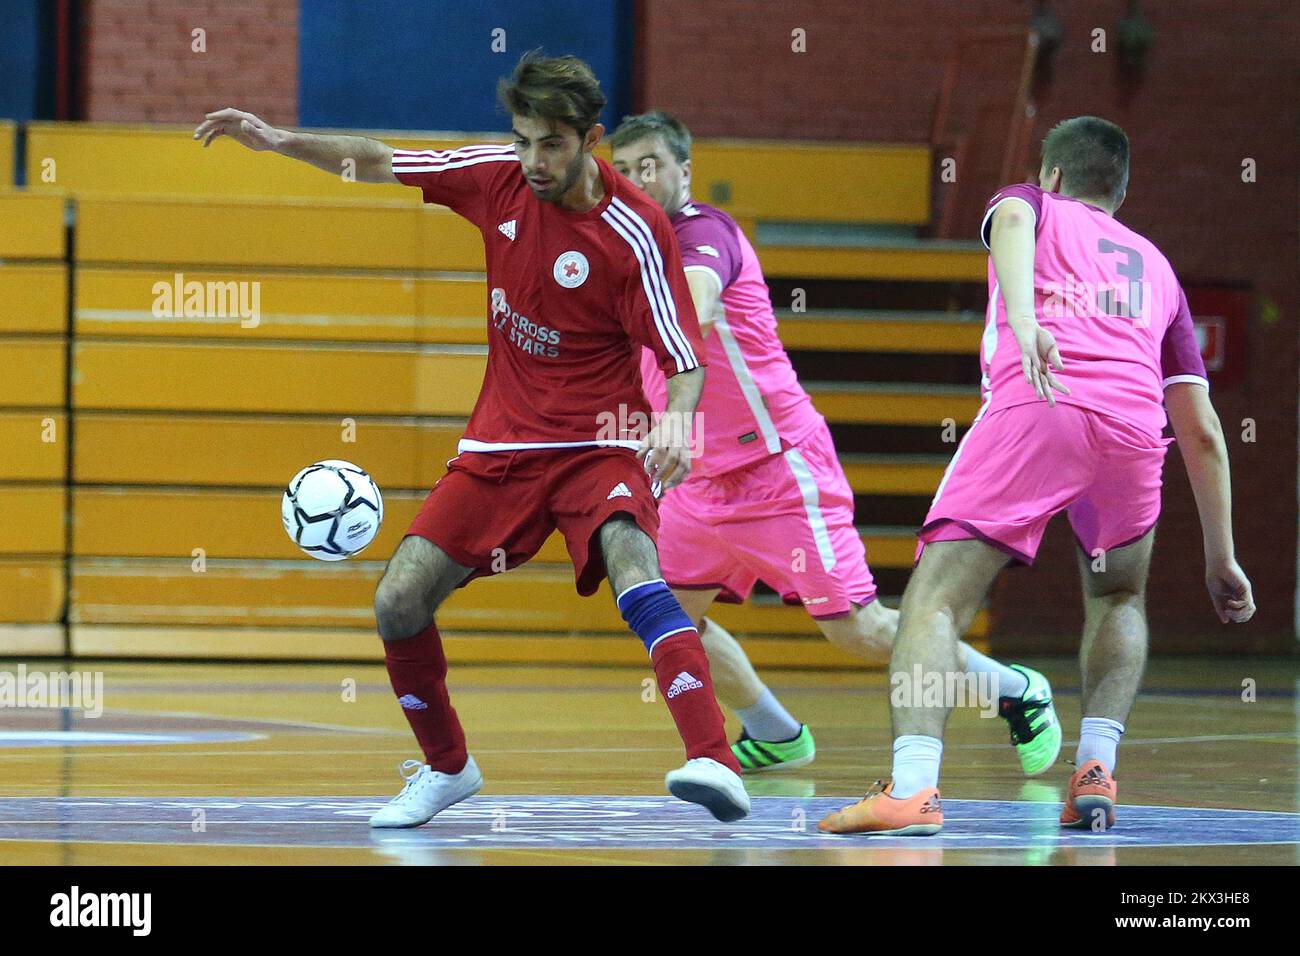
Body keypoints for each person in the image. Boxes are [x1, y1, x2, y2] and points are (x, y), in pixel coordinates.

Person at [193, 52, 751, 827]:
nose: (532, 160)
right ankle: (446, 767)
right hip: (500, 448)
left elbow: (682, 356)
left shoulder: (636, 229)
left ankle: (714, 762)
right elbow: (382, 160)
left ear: (590, 140)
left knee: (633, 562)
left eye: (551, 145)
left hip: (598, 447)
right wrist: (278, 140)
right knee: (398, 601)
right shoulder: (496, 176)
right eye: (522, 140)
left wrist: (680, 421)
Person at [819, 116, 1256, 836]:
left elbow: (1016, 217)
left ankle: (914, 787)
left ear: (1052, 174)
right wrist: (1221, 556)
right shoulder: (1160, 268)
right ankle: (1095, 771)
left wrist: (1025, 320)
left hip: (1042, 406)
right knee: (1119, 595)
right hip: (1133, 435)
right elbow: (1203, 432)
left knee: (933, 599)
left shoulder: (1031, 201)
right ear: (1121, 189)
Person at [609, 111, 1061, 779]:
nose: (640, 177)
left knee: (861, 631)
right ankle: (776, 730)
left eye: (652, 163)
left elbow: (696, 307)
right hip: (697, 480)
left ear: (684, 171)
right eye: (626, 168)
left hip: (777, 467)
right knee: (668, 618)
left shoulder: (704, 234)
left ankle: (1016, 691)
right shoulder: (625, 251)